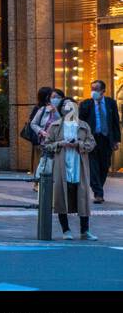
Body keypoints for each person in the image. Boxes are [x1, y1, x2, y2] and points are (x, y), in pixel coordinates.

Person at [42, 97, 97, 240]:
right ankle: (66, 230)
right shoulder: (55, 125)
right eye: (65, 106)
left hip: (79, 164)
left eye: (71, 106)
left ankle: (85, 231)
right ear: (62, 109)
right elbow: (47, 144)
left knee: (83, 197)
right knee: (61, 196)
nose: (68, 108)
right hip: (61, 164)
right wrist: (60, 144)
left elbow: (91, 143)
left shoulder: (83, 125)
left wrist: (78, 144)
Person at [78, 81, 120, 204]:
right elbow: (81, 121)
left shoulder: (111, 103)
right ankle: (98, 193)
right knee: (93, 166)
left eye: (96, 89)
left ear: (103, 91)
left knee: (104, 166)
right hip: (92, 139)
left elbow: (115, 122)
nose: (93, 91)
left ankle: (98, 188)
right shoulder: (86, 103)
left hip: (106, 139)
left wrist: (116, 140)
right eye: (92, 89)